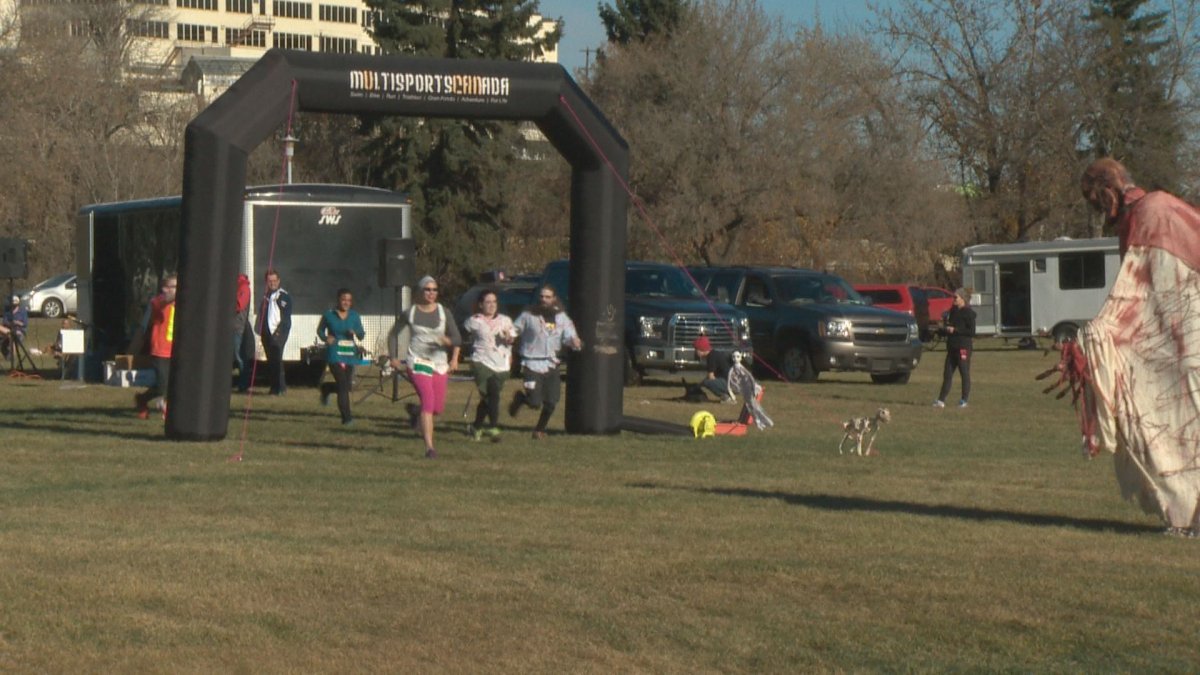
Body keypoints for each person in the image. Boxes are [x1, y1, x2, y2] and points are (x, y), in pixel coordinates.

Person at [1055, 157, 1200, 535]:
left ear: (1108, 191)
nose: (1098, 210)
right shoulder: (1156, 209)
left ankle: (1189, 513)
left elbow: (1140, 294)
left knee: (1178, 426)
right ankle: (1188, 515)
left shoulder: (1150, 214)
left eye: (1095, 201)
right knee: (1173, 428)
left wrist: (1096, 335)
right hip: (1178, 347)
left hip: (1183, 349)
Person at [389, 275, 461, 459]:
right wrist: (393, 357)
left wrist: (451, 350)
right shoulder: (410, 313)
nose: (431, 293)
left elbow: (457, 339)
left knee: (437, 408)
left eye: (434, 290)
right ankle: (430, 448)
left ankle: (416, 412)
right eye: (427, 289)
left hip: (439, 363)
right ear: (420, 291)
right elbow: (393, 334)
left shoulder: (444, 312)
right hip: (417, 361)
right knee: (428, 400)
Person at [508, 284, 582, 440]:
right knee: (535, 402)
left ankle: (539, 430)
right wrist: (510, 335)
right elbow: (515, 328)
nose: (544, 299)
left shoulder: (561, 317)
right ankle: (521, 398)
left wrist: (574, 341)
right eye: (541, 296)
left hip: (551, 363)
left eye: (547, 297)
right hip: (531, 363)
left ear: (554, 299)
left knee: (551, 402)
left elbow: (569, 336)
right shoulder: (529, 314)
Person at [462, 288, 517, 441]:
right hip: (481, 362)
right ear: (481, 304)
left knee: (488, 398)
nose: (492, 305)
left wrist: (509, 339)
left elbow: (512, 339)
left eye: (494, 302)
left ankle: (476, 426)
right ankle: (493, 427)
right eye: (488, 302)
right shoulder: (474, 321)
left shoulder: (505, 320)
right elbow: (462, 334)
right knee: (492, 393)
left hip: (501, 364)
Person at [317, 288, 365, 426]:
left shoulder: (354, 316)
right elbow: (320, 330)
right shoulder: (329, 315)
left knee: (347, 386)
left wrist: (355, 332)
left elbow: (361, 335)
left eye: (349, 300)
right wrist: (326, 338)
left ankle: (327, 388)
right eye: (344, 299)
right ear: (338, 300)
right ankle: (347, 418)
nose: (346, 303)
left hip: (349, 354)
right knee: (343, 385)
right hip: (334, 353)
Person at [134, 275, 177, 420]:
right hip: (160, 350)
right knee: (162, 385)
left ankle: (149, 400)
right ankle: (146, 400)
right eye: (172, 287)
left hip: (174, 349)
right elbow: (162, 302)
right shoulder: (158, 301)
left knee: (171, 383)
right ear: (164, 288)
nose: (174, 290)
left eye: (176, 287)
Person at [933, 288, 976, 409]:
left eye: (956, 297)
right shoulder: (953, 311)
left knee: (964, 372)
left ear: (963, 299)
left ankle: (964, 400)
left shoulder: (968, 313)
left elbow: (971, 332)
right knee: (947, 374)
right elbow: (949, 327)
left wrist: (956, 330)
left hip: (963, 347)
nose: (954, 299)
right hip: (952, 347)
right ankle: (941, 400)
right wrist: (941, 330)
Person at [258, 269, 292, 395]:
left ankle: (281, 388)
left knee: (277, 360)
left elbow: (286, 318)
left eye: (274, 280)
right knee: (271, 361)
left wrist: (278, 333)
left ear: (278, 281)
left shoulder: (283, 296)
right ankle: (274, 387)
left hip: (278, 333)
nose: (272, 283)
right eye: (269, 281)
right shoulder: (266, 296)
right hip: (266, 333)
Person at [692, 335, 735, 402]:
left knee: (707, 382)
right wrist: (699, 385)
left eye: (696, 349)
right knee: (706, 381)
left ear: (701, 349)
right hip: (733, 382)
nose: (695, 352)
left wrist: (702, 384)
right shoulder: (714, 354)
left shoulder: (711, 357)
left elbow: (711, 377)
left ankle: (726, 398)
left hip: (730, 384)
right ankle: (728, 395)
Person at [233, 273, 253, 392]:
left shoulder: (244, 288)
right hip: (233, 327)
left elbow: (239, 305)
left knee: (239, 356)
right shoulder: (238, 286)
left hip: (237, 327)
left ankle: (244, 384)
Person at [1, 295, 28, 360]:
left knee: (13, 338)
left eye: (15, 305)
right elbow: (5, 321)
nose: (13, 306)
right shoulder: (7, 311)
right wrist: (11, 323)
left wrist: (16, 322)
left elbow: (24, 324)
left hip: (20, 331)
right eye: (12, 305)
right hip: (8, 330)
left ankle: (11, 357)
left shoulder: (22, 311)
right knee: (3, 344)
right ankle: (9, 357)